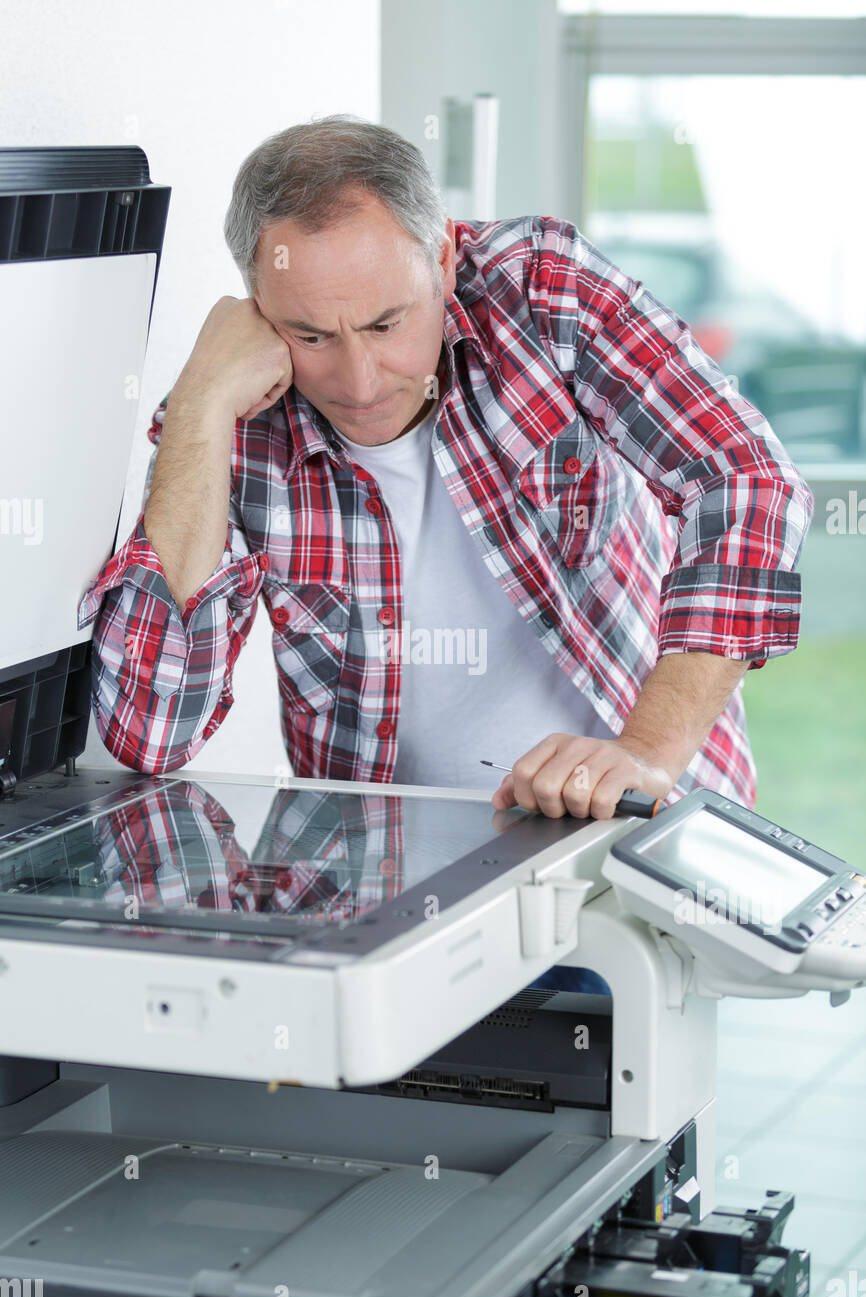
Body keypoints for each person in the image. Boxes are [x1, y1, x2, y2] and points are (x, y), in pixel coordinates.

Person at [78, 114, 813, 821]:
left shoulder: (541, 288)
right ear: (258, 305)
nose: (359, 381)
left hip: (648, 812)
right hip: (390, 881)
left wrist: (646, 754)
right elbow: (150, 730)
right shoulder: (229, 415)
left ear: (444, 259)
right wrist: (201, 407)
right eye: (310, 335)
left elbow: (744, 482)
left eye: (385, 325)